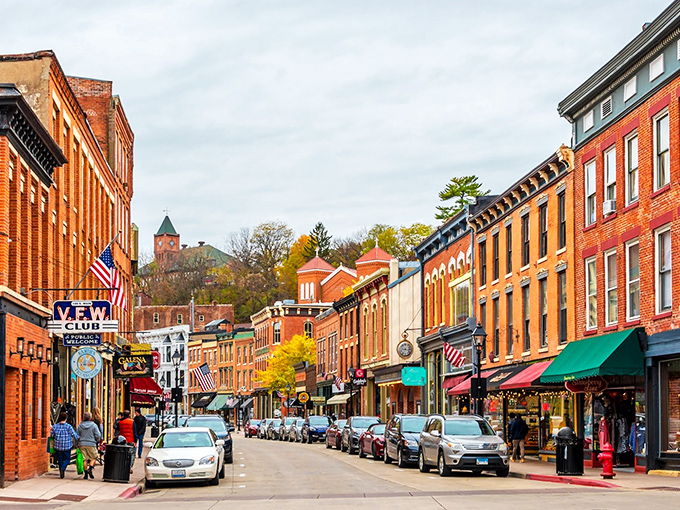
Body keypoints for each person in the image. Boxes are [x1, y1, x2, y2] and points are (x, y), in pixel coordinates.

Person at [51, 412, 79, 478]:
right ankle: (63, 468)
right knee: (67, 459)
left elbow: (52, 435)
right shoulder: (68, 426)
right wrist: (79, 438)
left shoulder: (55, 426)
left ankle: (61, 471)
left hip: (58, 446)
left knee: (60, 459)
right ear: (66, 419)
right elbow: (74, 434)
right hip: (67, 445)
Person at [77, 412, 102, 479]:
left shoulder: (80, 425)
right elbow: (98, 435)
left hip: (82, 444)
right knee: (94, 457)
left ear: (84, 418)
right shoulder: (94, 425)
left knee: (84, 459)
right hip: (91, 443)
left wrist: (77, 443)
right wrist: (96, 440)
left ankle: (85, 474)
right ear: (90, 418)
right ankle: (90, 469)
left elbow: (77, 435)